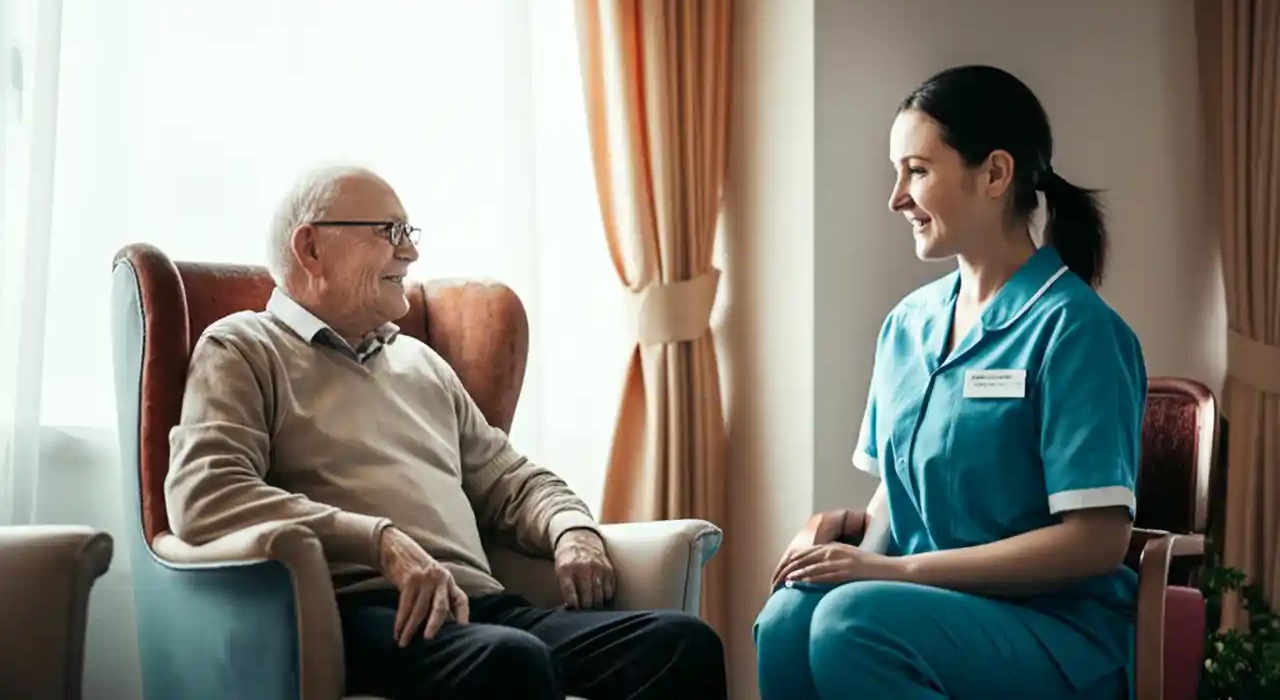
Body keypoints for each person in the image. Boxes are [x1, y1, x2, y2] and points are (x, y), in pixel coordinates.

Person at [165, 165, 727, 699]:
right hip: (361, 615)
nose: (410, 250)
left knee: (679, 644)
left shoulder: (420, 362)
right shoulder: (242, 347)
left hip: (484, 608)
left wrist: (570, 527)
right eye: (390, 232)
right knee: (509, 660)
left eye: (408, 232)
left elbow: (510, 481)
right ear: (311, 248)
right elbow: (206, 495)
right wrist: (379, 540)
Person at [754, 65, 1145, 699]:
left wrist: (893, 571)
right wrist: (833, 563)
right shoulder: (907, 324)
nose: (896, 197)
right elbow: (891, 495)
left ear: (994, 173)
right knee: (788, 619)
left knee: (854, 623)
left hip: (1058, 629)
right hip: (925, 607)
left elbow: (1097, 541)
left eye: (917, 170)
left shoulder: (1077, 331)